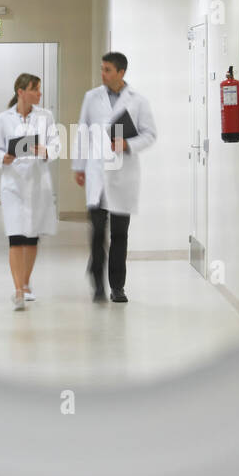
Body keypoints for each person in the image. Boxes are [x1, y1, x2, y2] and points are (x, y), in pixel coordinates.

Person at [72, 52, 157, 303]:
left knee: (120, 234)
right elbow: (82, 130)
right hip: (97, 173)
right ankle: (97, 282)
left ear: (121, 73)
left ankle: (117, 286)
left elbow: (150, 135)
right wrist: (79, 166)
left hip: (123, 175)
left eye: (107, 69)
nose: (103, 73)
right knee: (98, 232)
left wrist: (127, 144)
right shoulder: (92, 97)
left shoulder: (138, 101)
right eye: (102, 69)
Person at [0, 73, 61, 310]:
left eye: (39, 90)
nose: (39, 94)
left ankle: (27, 283)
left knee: (31, 237)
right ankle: (18, 289)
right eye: (35, 89)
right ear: (21, 92)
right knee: (15, 237)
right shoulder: (3, 119)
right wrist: (3, 157)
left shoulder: (46, 117)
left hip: (37, 183)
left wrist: (45, 150)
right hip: (13, 184)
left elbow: (56, 144)